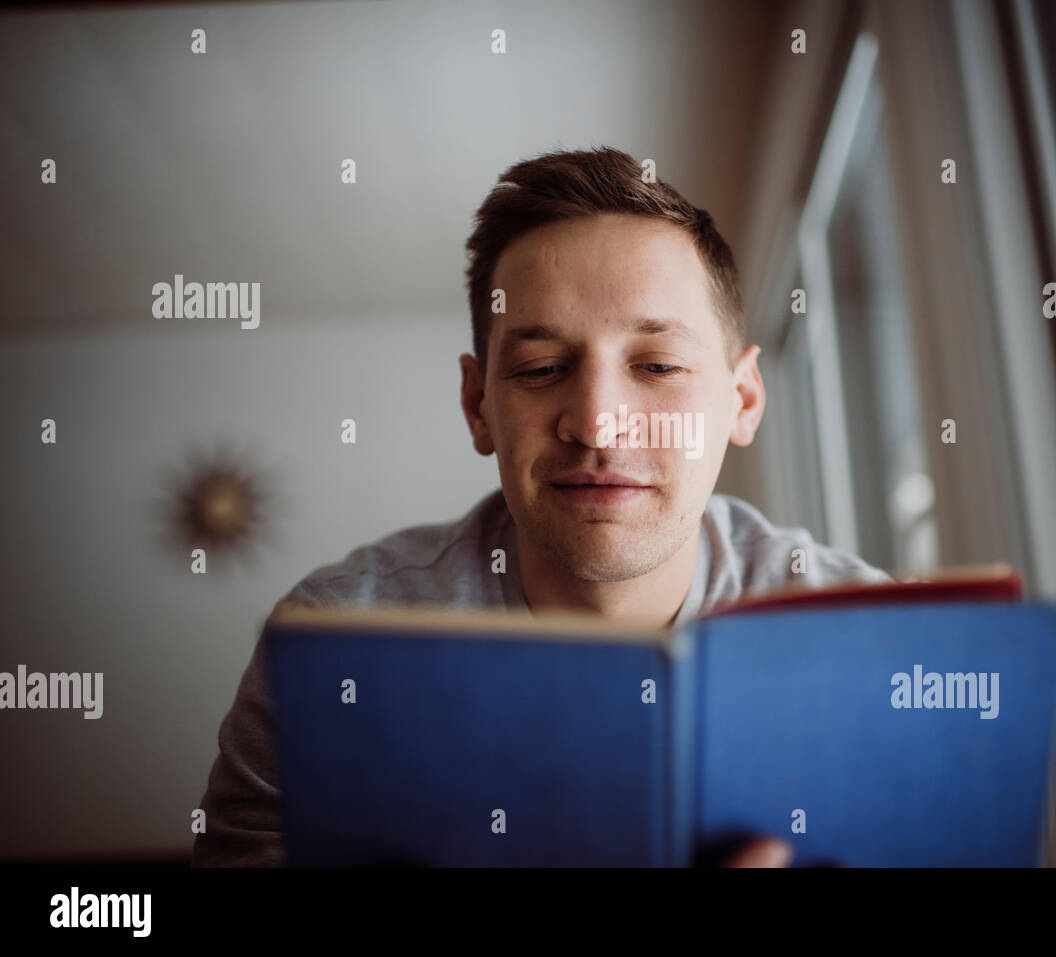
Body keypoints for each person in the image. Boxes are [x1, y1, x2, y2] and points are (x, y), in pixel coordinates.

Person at [192, 146, 888, 867]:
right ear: (477, 405)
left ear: (741, 400)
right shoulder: (327, 644)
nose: (596, 423)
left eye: (656, 365)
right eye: (542, 369)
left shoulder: (881, 642)